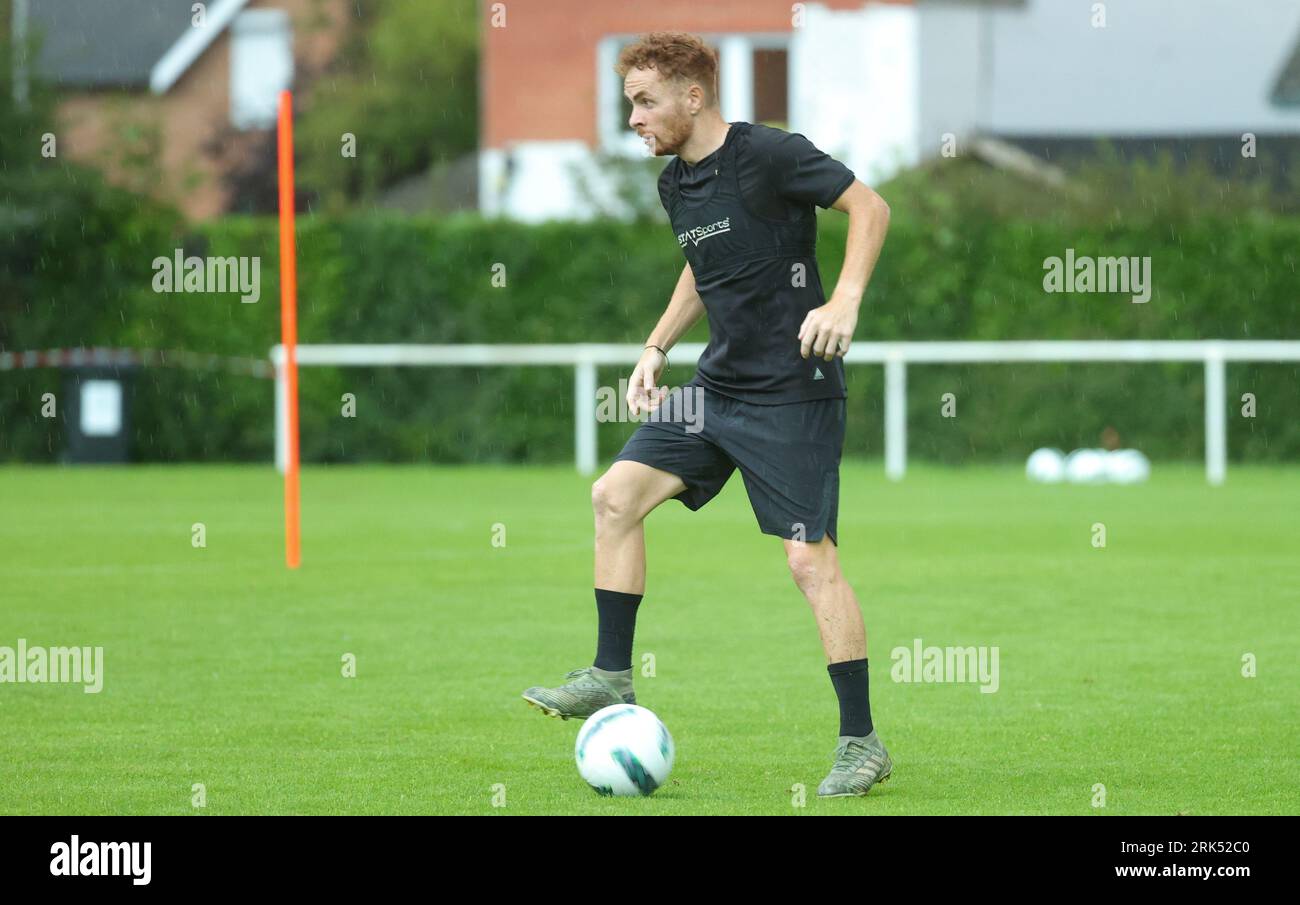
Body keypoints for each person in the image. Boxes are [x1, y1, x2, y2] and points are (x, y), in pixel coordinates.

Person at [522, 32, 893, 798]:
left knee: (807, 560)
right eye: (630, 103)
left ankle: (862, 742)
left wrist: (845, 297)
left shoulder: (772, 155)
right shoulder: (675, 186)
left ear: (694, 97)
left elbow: (870, 205)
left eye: (645, 101)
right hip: (717, 387)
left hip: (793, 389)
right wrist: (656, 345)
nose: (633, 117)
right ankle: (611, 676)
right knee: (613, 495)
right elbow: (704, 267)